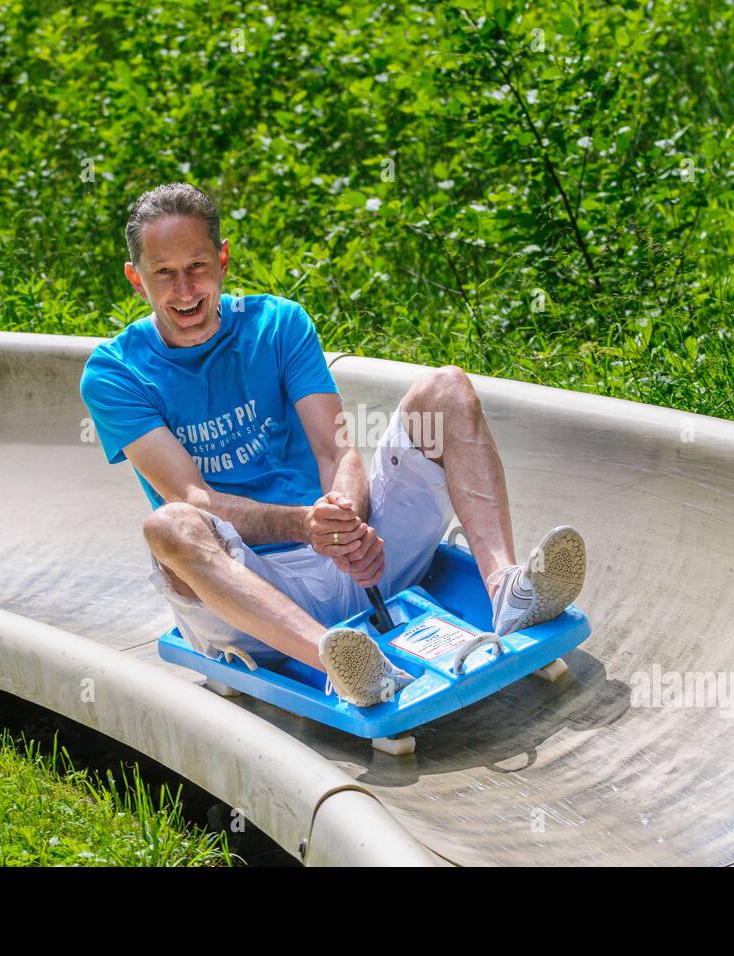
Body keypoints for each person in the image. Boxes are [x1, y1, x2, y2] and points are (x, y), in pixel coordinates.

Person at [80, 183, 586, 707]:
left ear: (223, 259)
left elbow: (336, 451)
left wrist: (346, 520)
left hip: (355, 560)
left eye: (197, 266)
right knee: (167, 524)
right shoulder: (116, 372)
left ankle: (507, 592)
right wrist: (306, 525)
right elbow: (194, 498)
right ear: (136, 278)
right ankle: (342, 662)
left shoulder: (278, 323)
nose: (185, 290)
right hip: (249, 592)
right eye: (164, 272)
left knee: (446, 389)